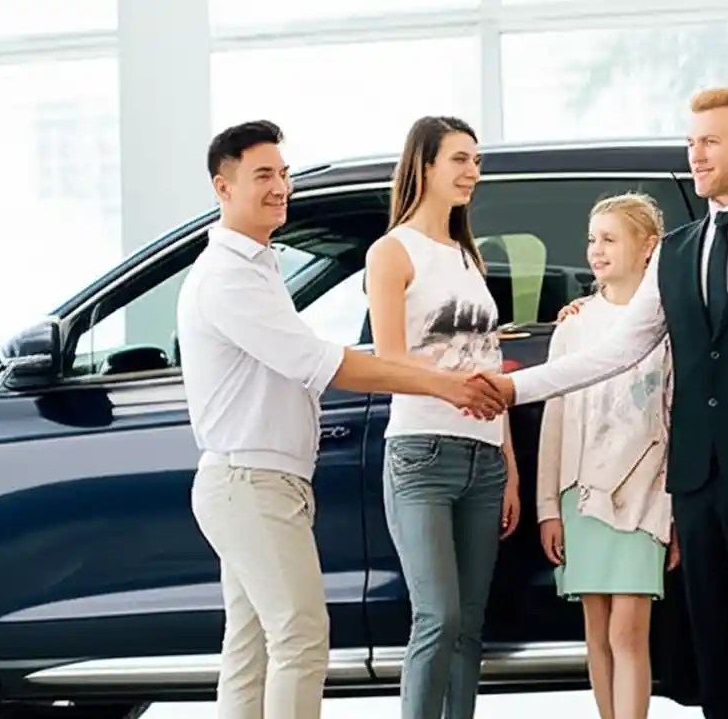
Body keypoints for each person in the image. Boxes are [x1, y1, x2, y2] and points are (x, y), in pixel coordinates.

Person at [479, 88, 728, 718]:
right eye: (692, 142)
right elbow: (620, 349)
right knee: (715, 653)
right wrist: (515, 388)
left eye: (710, 141)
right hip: (697, 481)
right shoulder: (677, 250)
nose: (697, 154)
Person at [176, 120, 506, 719]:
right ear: (223, 188)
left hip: (262, 481)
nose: (281, 186)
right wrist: (443, 383)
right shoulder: (227, 276)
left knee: (249, 650)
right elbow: (320, 362)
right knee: (301, 638)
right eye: (262, 176)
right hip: (250, 482)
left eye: (283, 173)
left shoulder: (258, 267)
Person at [363, 115, 520, 719]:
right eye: (459, 159)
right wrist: (455, 390)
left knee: (472, 624)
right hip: (422, 452)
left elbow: (489, 358)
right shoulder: (392, 251)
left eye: (476, 161)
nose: (472, 172)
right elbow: (390, 363)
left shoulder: (465, 254)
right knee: (439, 615)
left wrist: (505, 459)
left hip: (482, 458)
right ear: (424, 164)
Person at [535, 192, 678, 719]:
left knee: (628, 630)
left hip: (645, 497)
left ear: (648, 247)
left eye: (610, 239)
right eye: (592, 239)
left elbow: (674, 413)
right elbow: (555, 419)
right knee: (596, 628)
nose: (596, 250)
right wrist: (548, 507)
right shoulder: (574, 326)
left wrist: (675, 508)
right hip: (582, 495)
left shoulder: (667, 323)